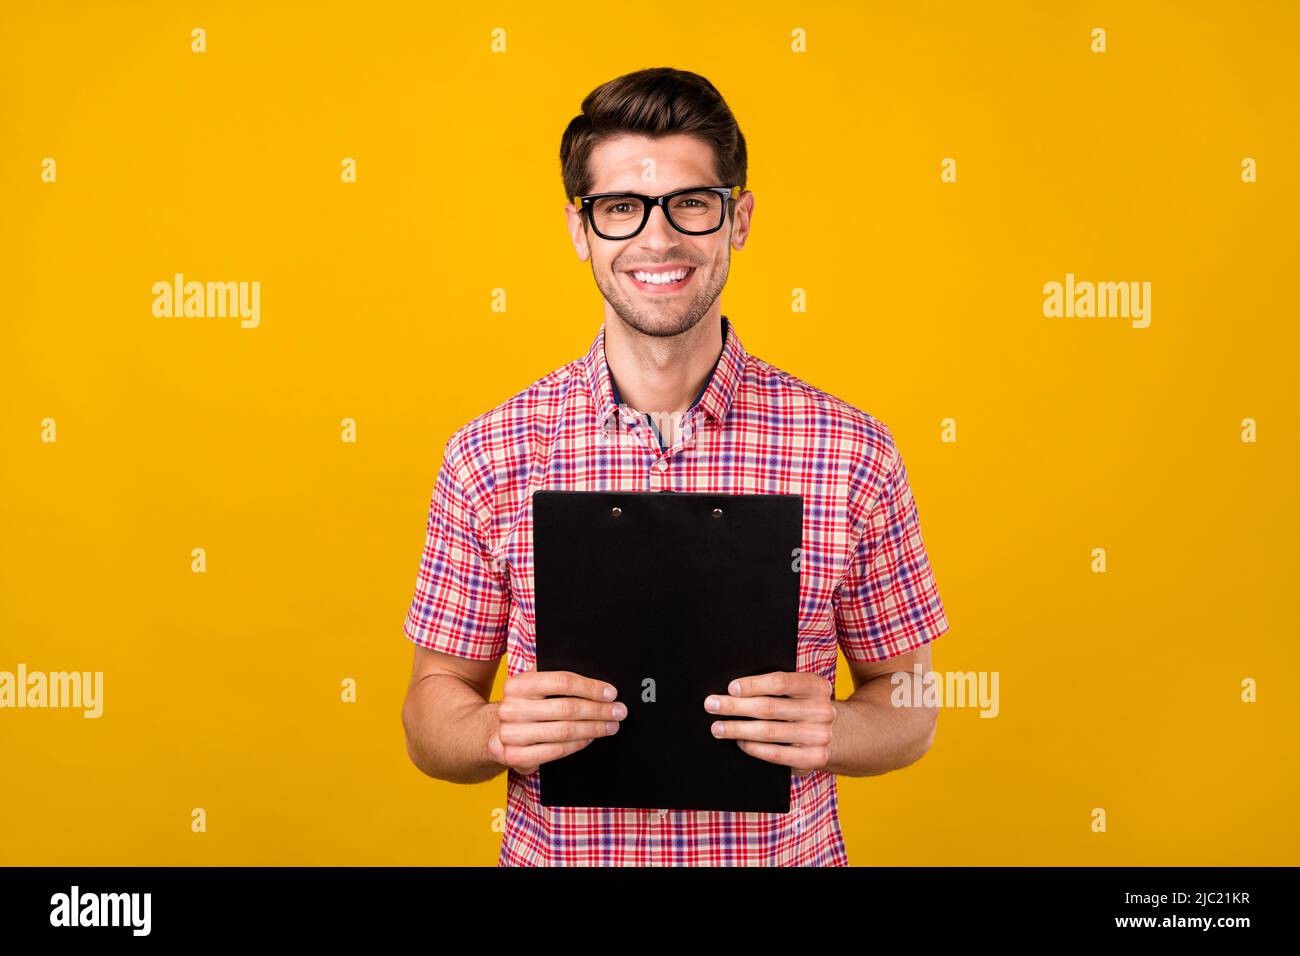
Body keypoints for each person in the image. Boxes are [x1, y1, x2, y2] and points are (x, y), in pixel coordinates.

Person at [401, 66, 950, 866]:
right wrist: (494, 730)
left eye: (691, 203)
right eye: (622, 208)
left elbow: (912, 701)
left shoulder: (852, 450)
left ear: (739, 218)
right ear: (579, 229)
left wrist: (839, 727)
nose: (658, 240)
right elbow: (428, 707)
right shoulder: (490, 452)